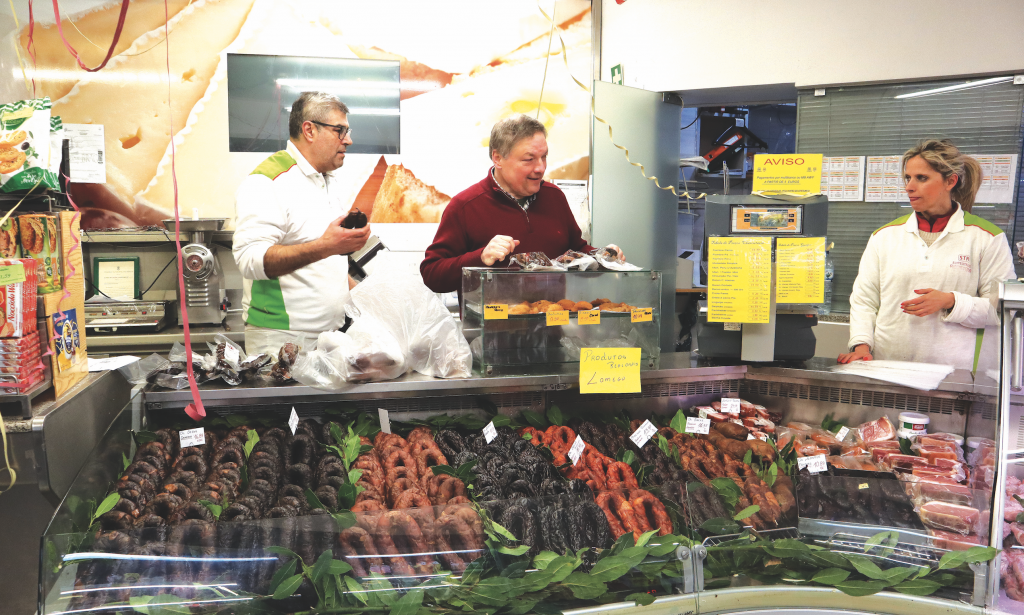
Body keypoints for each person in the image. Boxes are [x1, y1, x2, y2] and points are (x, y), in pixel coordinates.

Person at [839, 139, 1015, 371]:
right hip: (888, 366)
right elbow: (864, 300)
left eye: (921, 178)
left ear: (950, 181)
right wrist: (861, 345)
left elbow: (1001, 311)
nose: (910, 187)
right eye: (907, 178)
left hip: (955, 373)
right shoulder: (885, 236)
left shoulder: (986, 237)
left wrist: (951, 301)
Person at [233, 92, 371, 355]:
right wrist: (326, 247)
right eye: (340, 130)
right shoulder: (267, 182)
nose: (349, 140)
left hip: (331, 336)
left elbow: (326, 262)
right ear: (309, 130)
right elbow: (249, 260)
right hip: (282, 340)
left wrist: (365, 296)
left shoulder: (327, 180)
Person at [420, 114, 621, 294]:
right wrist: (480, 257)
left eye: (544, 157)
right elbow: (432, 274)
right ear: (498, 158)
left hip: (552, 330)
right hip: (490, 333)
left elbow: (577, 253)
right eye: (529, 159)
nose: (540, 168)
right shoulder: (465, 205)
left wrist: (603, 257)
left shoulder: (554, 197)